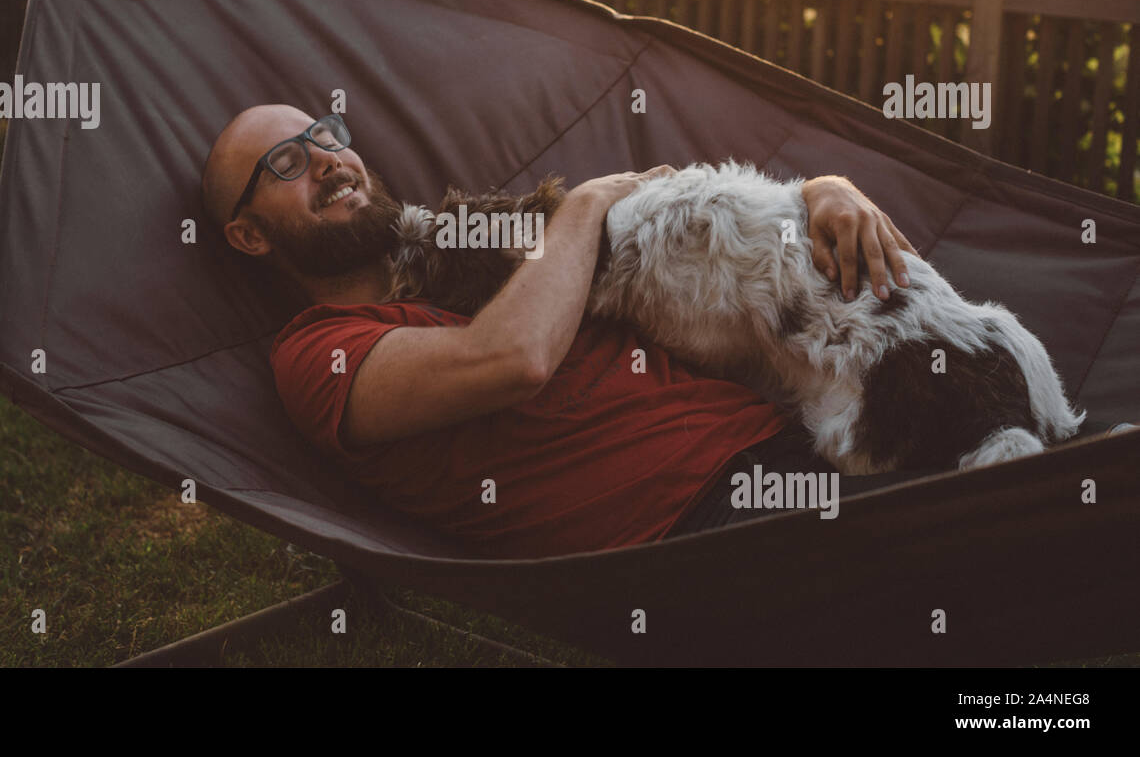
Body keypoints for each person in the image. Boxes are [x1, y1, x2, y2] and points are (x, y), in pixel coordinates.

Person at [201, 104, 922, 558]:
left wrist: (821, 190)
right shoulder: (316, 352)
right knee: (981, 560)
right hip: (702, 523)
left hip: (803, 431)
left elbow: (683, 226)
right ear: (250, 235)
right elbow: (514, 360)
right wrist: (582, 209)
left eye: (325, 135)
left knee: (1004, 497)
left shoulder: (468, 256)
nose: (328, 159)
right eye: (287, 164)